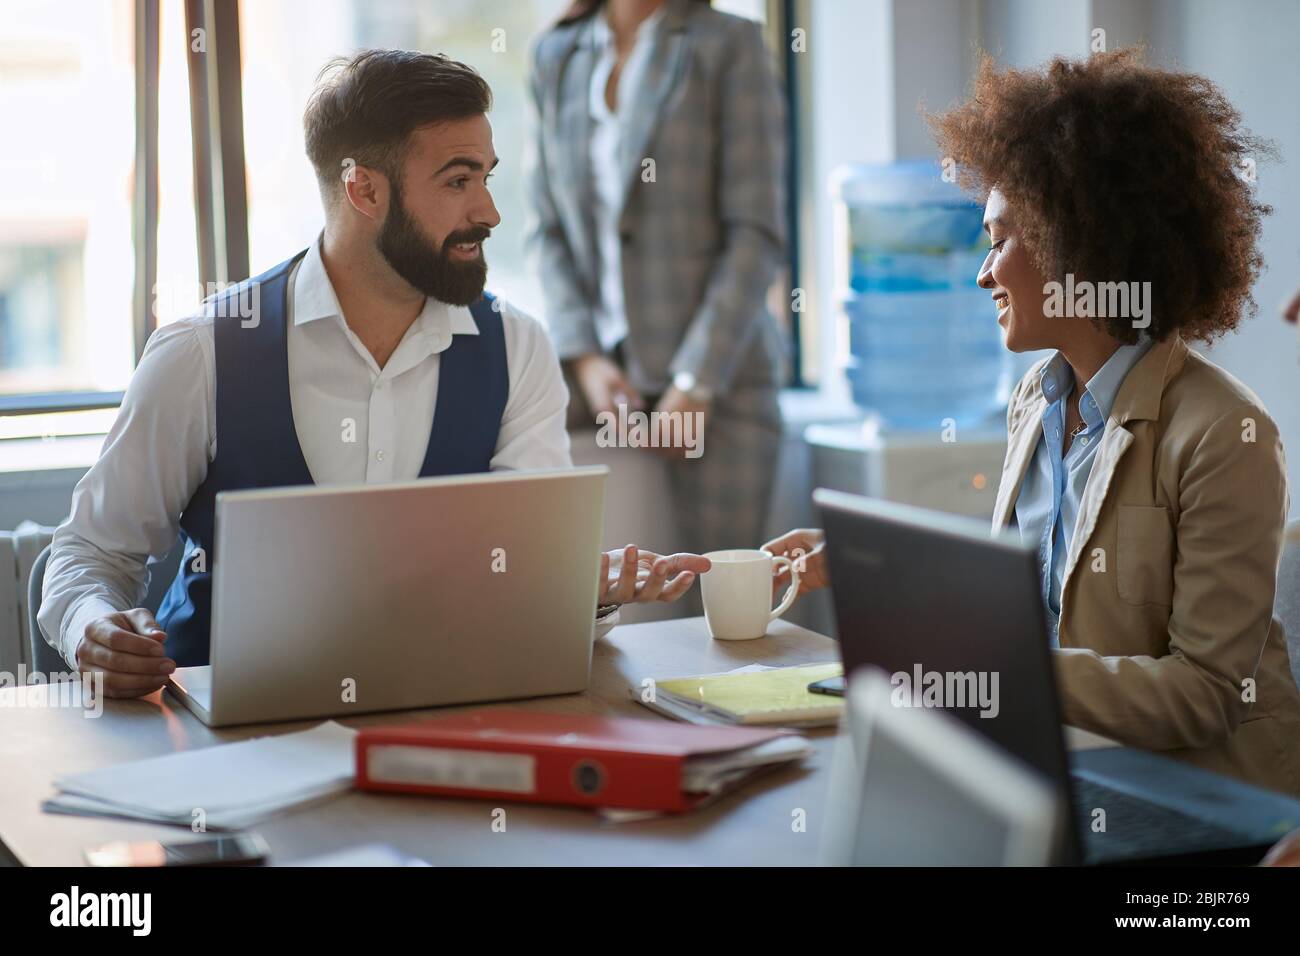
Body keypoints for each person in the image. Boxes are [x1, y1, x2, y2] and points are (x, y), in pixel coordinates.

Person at [38, 50, 708, 699]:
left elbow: (529, 585)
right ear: (362, 188)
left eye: (487, 177)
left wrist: (581, 593)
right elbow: (89, 553)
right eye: (457, 180)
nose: (489, 212)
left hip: (439, 722)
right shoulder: (200, 351)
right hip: (219, 743)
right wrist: (90, 626)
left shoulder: (517, 349)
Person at [765, 48, 1300, 797]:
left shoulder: (1225, 434)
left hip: (1194, 802)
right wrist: (870, 573)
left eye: (1000, 239)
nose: (983, 273)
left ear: (1077, 243)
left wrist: (999, 665)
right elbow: (1035, 606)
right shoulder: (1035, 398)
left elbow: (1204, 695)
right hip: (1062, 768)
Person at [525, 0, 788, 597]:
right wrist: (585, 359)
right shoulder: (556, 54)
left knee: (723, 613)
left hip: (723, 385)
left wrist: (696, 381)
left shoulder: (728, 45)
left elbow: (756, 232)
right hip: (599, 374)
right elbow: (546, 229)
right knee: (563, 599)